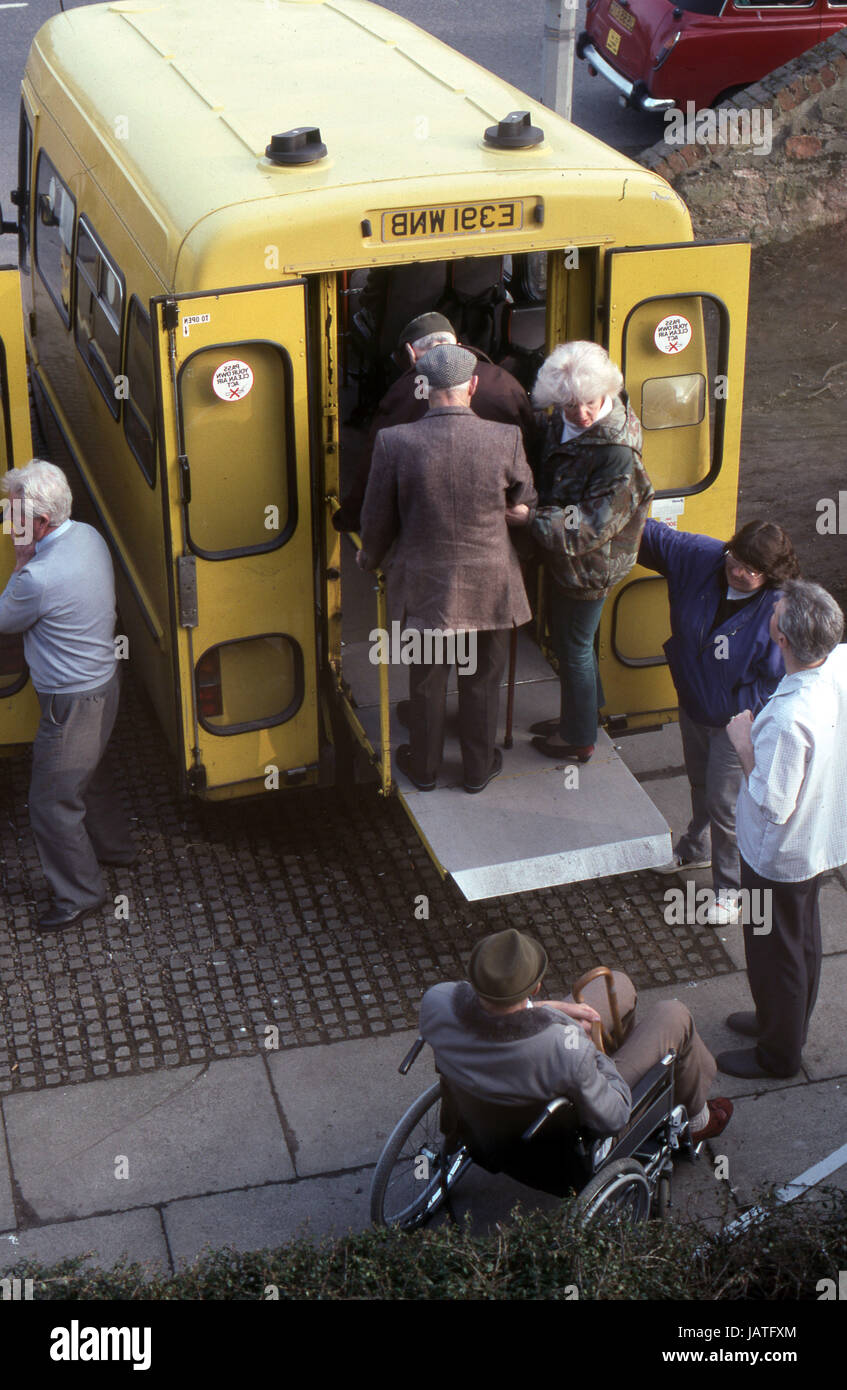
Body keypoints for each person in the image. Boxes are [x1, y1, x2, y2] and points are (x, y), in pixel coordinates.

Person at [358, 344, 536, 793]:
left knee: (427, 682)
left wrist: (368, 559)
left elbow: (376, 519)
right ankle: (477, 770)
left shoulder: (394, 442)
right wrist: (517, 511)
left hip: (425, 585)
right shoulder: (504, 439)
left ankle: (425, 768)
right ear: (471, 386)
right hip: (491, 584)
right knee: (482, 681)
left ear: (425, 389)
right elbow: (526, 499)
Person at [420, 928, 732, 1142]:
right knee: (673, 1014)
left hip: (483, 1104)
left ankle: (636, 1052)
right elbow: (615, 1115)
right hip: (574, 1115)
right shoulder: (565, 1048)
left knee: (618, 985)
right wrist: (589, 1051)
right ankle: (696, 1121)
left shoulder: (436, 1001)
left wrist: (543, 1009)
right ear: (535, 986)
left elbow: (495, 1016)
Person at [640, 518, 800, 924]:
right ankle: (695, 847)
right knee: (698, 781)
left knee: (725, 805)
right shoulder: (703, 557)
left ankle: (730, 891)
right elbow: (649, 532)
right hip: (693, 704)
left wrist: (745, 716)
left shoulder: (782, 608)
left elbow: (781, 675)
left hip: (738, 721)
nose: (740, 572)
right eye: (737, 560)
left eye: (753, 569)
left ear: (773, 574)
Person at [0, 460, 135, 933]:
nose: (7, 522)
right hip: (104, 684)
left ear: (40, 522)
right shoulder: (88, 537)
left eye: (14, 514)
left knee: (51, 803)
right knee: (89, 775)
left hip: (69, 703)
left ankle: (80, 893)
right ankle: (117, 849)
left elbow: (4, 619)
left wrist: (19, 561)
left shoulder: (37, 577)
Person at [722, 579, 847, 1079]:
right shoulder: (837, 666)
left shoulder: (788, 718)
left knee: (776, 954)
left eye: (778, 609)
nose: (773, 605)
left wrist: (743, 743)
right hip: (817, 838)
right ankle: (783, 1024)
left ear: (783, 641)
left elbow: (772, 804)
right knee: (802, 940)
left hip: (777, 855)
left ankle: (778, 1053)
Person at [508, 342, 653, 764]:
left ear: (605, 391)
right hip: (572, 560)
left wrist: (529, 519)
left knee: (572, 647)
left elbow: (591, 524)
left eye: (589, 404)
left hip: (589, 564)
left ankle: (578, 739)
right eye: (570, 406)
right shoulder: (564, 420)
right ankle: (584, 716)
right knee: (578, 644)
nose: (582, 415)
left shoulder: (617, 452)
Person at [334, 312, 536, 531]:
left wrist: (349, 518)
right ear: (458, 345)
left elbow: (374, 468)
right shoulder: (505, 382)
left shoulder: (404, 392)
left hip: (429, 525)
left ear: (410, 353)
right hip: (500, 525)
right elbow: (531, 449)